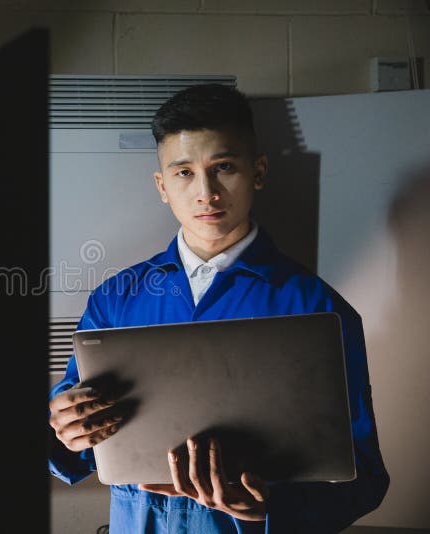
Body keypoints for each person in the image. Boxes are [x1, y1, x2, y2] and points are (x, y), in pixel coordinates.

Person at [48, 84, 389, 533]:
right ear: (162, 186)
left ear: (258, 171)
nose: (205, 192)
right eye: (184, 172)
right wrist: (66, 428)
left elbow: (364, 477)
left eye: (223, 167)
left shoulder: (318, 308)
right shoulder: (115, 298)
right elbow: (76, 442)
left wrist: (270, 507)